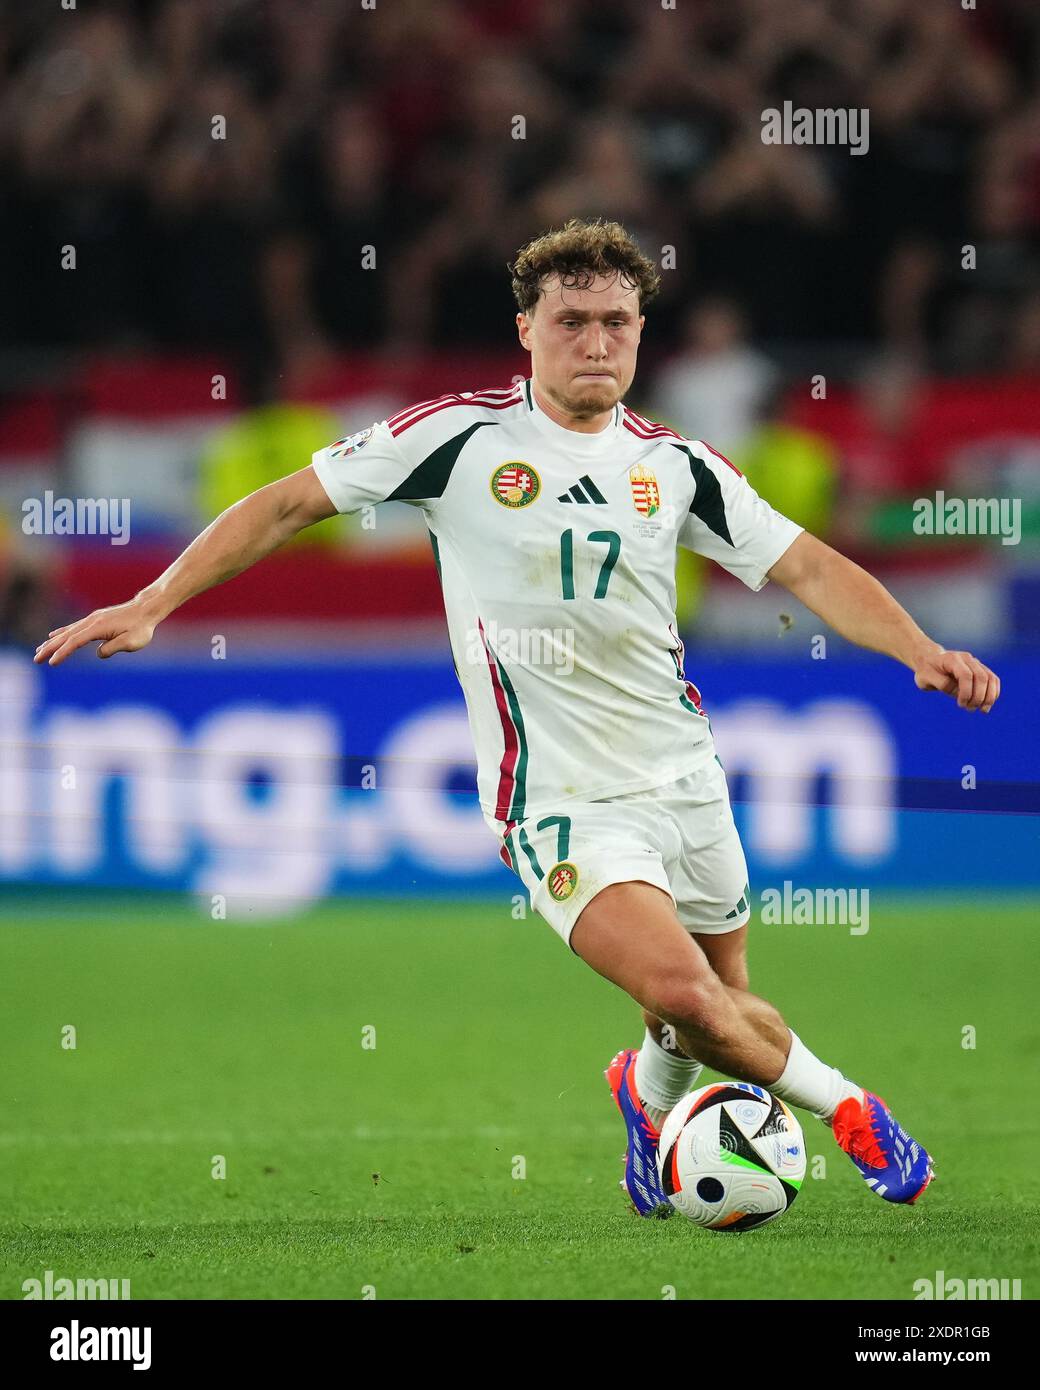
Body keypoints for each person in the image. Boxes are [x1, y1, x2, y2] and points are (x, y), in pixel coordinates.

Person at [34, 219, 1000, 1218]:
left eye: (614, 322)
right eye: (571, 320)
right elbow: (285, 504)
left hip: (684, 774)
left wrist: (916, 648)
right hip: (555, 796)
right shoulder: (456, 437)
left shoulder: (676, 465)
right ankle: (854, 1112)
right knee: (683, 997)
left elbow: (804, 566)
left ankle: (642, 1093)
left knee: (716, 1005)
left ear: (637, 333)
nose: (594, 342)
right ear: (525, 330)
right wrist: (153, 599)